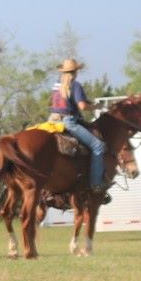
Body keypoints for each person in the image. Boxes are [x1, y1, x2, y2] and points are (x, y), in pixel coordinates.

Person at [50, 58, 107, 199]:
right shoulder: (75, 85)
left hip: (53, 120)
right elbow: (82, 106)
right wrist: (95, 106)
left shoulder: (56, 85)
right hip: (69, 122)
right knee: (98, 146)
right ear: (75, 72)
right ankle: (96, 184)